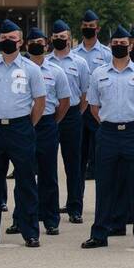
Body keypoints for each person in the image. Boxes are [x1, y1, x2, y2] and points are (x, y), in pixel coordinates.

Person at [80, 26, 134, 251]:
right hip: (107, 134)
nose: (119, 46)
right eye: (115, 43)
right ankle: (99, 234)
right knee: (105, 186)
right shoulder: (99, 73)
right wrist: (109, 123)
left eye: (123, 43)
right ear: (110, 45)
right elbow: (94, 107)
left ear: (131, 46)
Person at [0, 20, 46, 248]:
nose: (7, 42)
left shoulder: (31, 69)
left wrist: (26, 125)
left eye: (12, 39)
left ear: (20, 42)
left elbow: (40, 102)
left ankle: (30, 232)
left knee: (25, 182)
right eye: (3, 38)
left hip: (21, 128)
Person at [21, 28, 70, 236]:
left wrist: (51, 121)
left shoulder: (56, 71)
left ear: (46, 45)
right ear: (25, 46)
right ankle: (21, 219)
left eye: (39, 41)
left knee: (48, 174)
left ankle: (51, 219)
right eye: (31, 41)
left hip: (47, 124)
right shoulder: (18, 70)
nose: (35, 45)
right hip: (22, 125)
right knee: (24, 175)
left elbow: (65, 102)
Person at [49, 20, 89, 224]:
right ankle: (47, 206)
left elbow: (84, 93)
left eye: (62, 37)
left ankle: (75, 207)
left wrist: (77, 113)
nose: (59, 40)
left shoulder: (80, 63)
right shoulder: (46, 62)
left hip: (72, 115)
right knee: (46, 163)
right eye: (55, 37)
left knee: (73, 163)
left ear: (69, 38)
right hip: (49, 116)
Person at [71, 10, 107, 181]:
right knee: (78, 157)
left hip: (99, 109)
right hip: (80, 109)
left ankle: (103, 205)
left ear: (97, 29)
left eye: (91, 26)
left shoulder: (106, 53)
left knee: (101, 156)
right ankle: (75, 204)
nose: (88, 29)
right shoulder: (73, 54)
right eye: (85, 26)